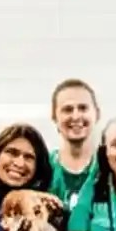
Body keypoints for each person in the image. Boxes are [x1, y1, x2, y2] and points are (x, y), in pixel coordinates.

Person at [47, 79, 101, 210]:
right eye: (67, 109)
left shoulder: (111, 167)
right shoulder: (43, 169)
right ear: (54, 117)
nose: (76, 116)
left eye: (83, 108)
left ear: (97, 114)